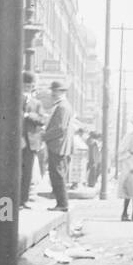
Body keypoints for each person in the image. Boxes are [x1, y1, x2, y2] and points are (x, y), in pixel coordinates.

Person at [42, 80, 75, 212]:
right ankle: (61, 202)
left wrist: (44, 136)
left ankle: (62, 203)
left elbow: (60, 128)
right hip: (59, 145)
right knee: (57, 173)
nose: (53, 93)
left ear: (62, 92)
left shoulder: (62, 107)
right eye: (53, 90)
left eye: (56, 91)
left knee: (57, 174)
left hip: (58, 145)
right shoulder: (63, 106)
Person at [20, 71, 45, 208]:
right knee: (16, 172)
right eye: (25, 85)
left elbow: (42, 119)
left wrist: (29, 115)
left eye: (29, 86)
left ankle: (24, 200)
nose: (27, 88)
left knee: (27, 173)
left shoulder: (37, 103)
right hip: (18, 142)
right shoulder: (15, 99)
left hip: (32, 143)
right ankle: (16, 199)